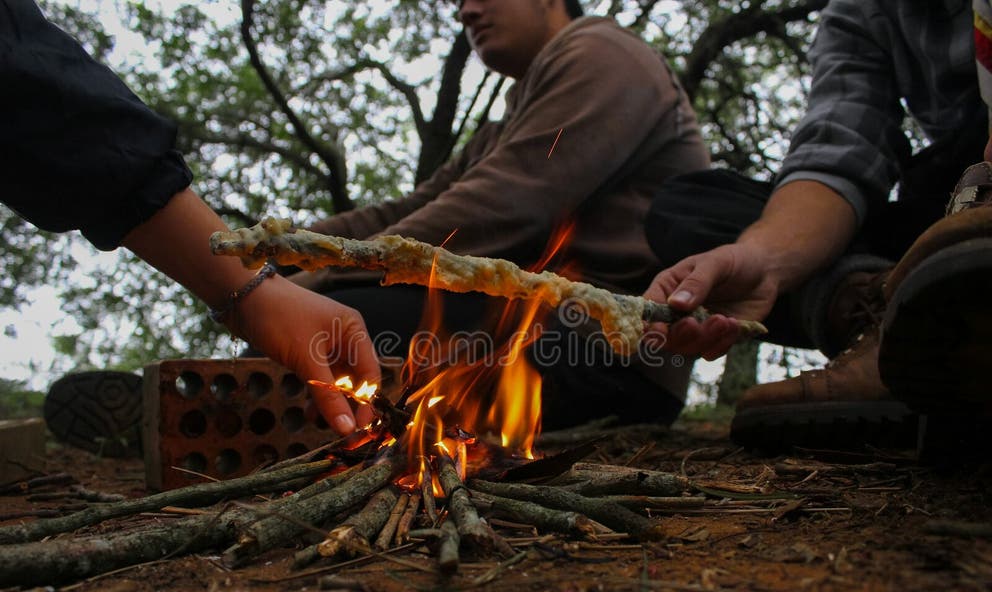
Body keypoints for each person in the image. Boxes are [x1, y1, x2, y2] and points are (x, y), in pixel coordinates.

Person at [290, 0, 711, 429]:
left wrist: (328, 273)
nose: (466, 12)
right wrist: (283, 249)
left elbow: (507, 203)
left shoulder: (604, 55)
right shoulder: (506, 124)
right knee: (299, 320)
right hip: (537, 329)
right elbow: (415, 205)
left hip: (607, 352)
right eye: (458, 2)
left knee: (322, 325)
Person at [0, 0, 379, 442]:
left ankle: (197, 421)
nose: (467, 10)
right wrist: (269, 265)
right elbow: (390, 218)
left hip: (470, 322)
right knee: (308, 332)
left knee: (350, 325)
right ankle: (197, 424)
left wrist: (315, 277)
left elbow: (442, 221)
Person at [641, 0, 991, 447]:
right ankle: (893, 316)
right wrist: (761, 258)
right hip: (948, 213)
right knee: (687, 207)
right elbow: (839, 153)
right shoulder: (860, 13)